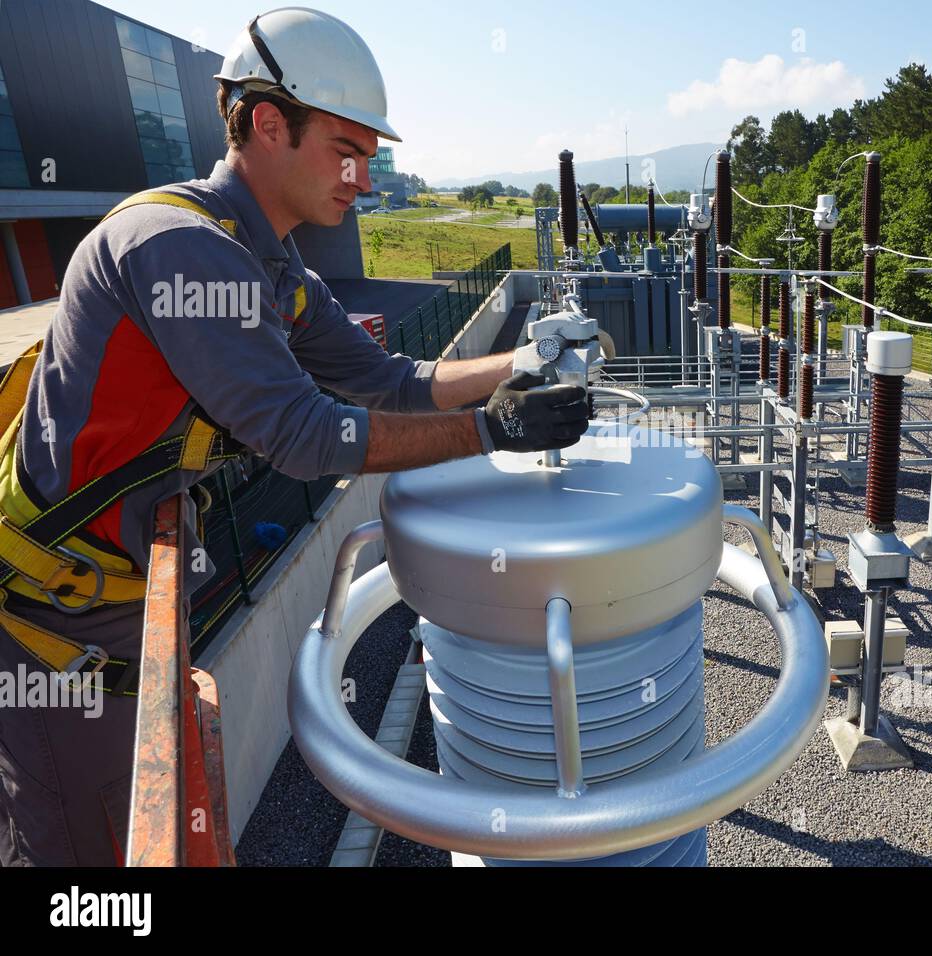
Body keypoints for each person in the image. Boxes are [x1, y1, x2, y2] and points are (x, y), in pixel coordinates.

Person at [0, 7, 587, 866]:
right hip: (59, 625)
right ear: (270, 124)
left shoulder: (268, 263)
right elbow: (305, 436)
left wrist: (523, 363)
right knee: (85, 857)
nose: (363, 180)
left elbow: (389, 380)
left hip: (114, 597)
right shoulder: (181, 249)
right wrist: (490, 432)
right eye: (347, 151)